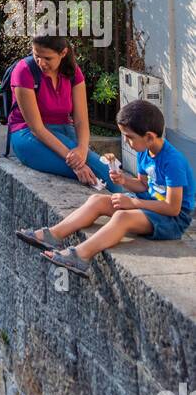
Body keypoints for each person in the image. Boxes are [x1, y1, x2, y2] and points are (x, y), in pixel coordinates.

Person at [16, 100, 195, 277]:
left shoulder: (173, 162)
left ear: (149, 136)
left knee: (122, 216)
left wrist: (133, 202)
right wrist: (124, 180)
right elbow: (143, 184)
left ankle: (79, 256)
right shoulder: (144, 152)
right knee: (97, 200)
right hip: (151, 204)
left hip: (173, 220)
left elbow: (173, 208)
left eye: (129, 137)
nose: (125, 141)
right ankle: (53, 235)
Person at [5, 33, 117, 189]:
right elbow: (37, 129)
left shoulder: (73, 72)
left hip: (63, 128)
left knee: (96, 162)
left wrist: (83, 149)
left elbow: (81, 120)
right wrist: (75, 163)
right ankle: (136, 203)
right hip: (28, 134)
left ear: (63, 53)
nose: (41, 63)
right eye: (36, 55)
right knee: (91, 168)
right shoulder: (24, 70)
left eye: (47, 58)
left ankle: (141, 202)